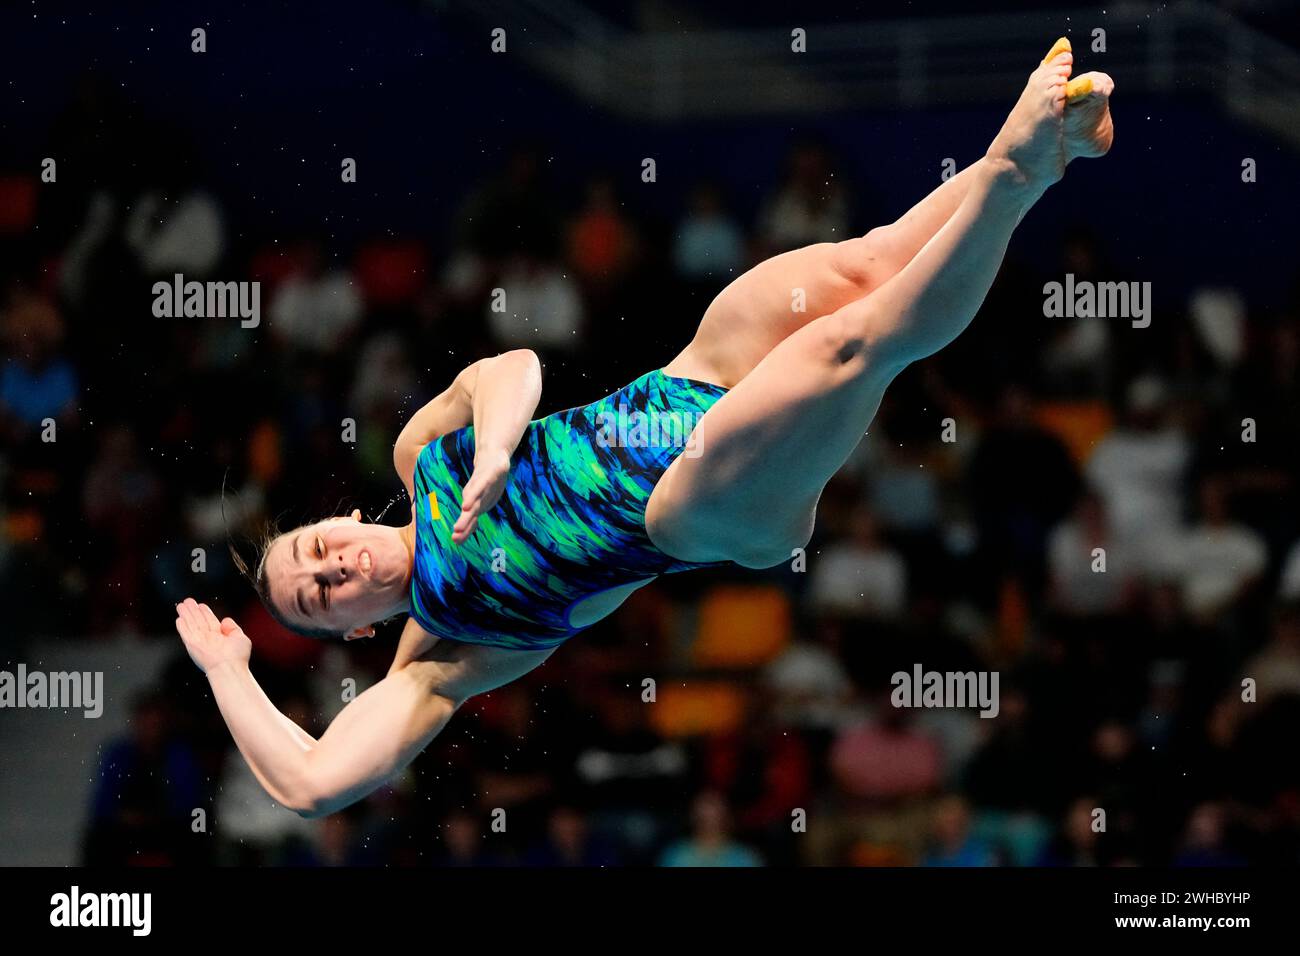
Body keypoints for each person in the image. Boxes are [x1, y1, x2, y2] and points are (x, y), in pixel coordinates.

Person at [173, 39, 1114, 818]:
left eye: (315, 552)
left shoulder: (420, 456)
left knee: (862, 269)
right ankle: (1022, 163)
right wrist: (227, 669)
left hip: (690, 380)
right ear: (347, 630)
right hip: (701, 510)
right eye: (319, 598)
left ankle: (1057, 149)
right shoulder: (439, 656)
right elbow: (308, 784)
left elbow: (510, 369)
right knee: (851, 343)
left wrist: (498, 448)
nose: (333, 571)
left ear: (335, 518)